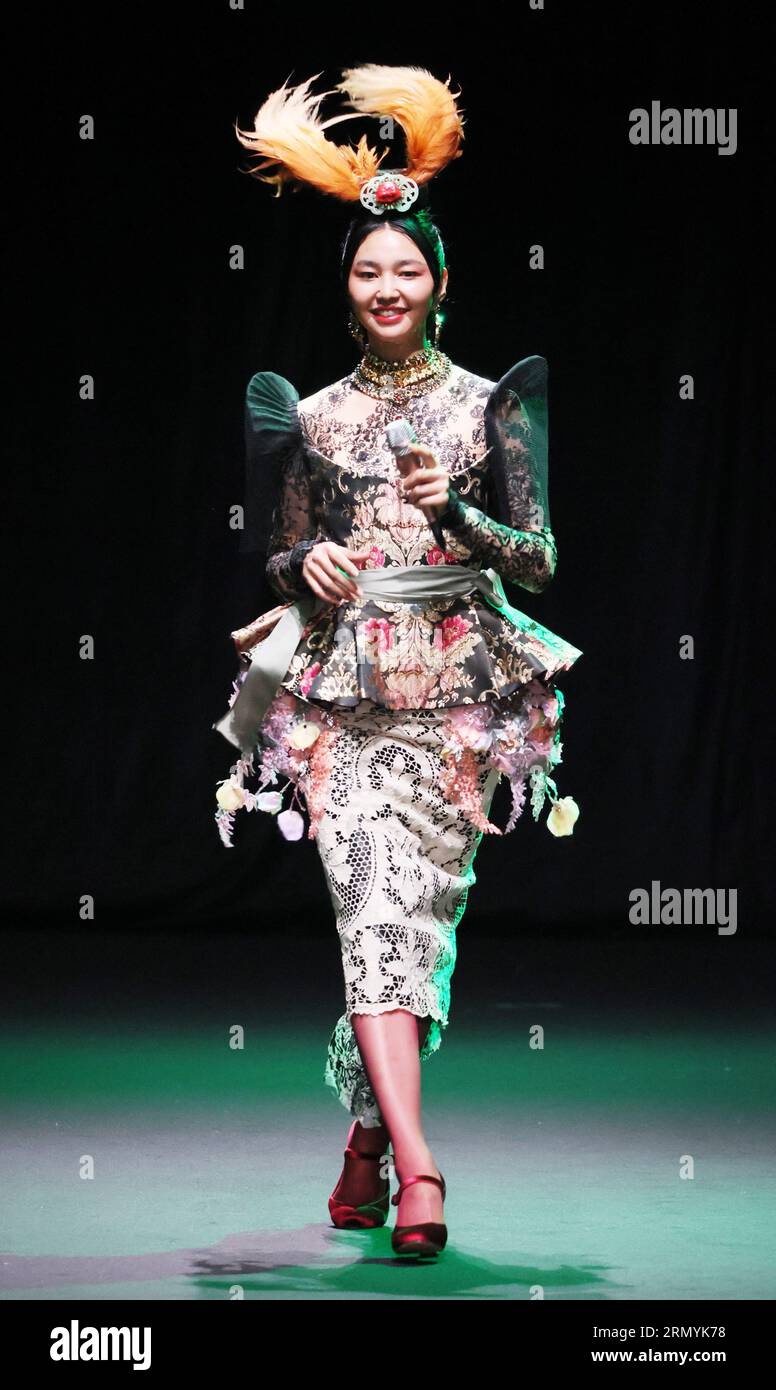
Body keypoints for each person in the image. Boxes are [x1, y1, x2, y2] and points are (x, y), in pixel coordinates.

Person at [212, 65, 583, 1258]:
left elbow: (536, 562)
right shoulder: (306, 416)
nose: (386, 286)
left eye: (405, 269)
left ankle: (370, 1135)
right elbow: (277, 559)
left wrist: (454, 512)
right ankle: (420, 1170)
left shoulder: (491, 404)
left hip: (460, 690)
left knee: (421, 918)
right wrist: (306, 564)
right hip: (345, 693)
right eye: (367, 271)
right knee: (368, 902)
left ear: (438, 284)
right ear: (346, 289)